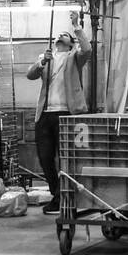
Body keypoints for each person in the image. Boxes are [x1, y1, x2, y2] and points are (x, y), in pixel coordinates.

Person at [26, 11, 91, 213]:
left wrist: (76, 26)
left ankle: (68, 195)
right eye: (59, 35)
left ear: (71, 43)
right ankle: (56, 194)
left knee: (67, 157)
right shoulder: (46, 57)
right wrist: (41, 62)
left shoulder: (74, 57)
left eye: (65, 35)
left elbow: (87, 49)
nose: (60, 37)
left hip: (67, 114)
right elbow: (30, 75)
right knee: (45, 157)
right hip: (45, 114)